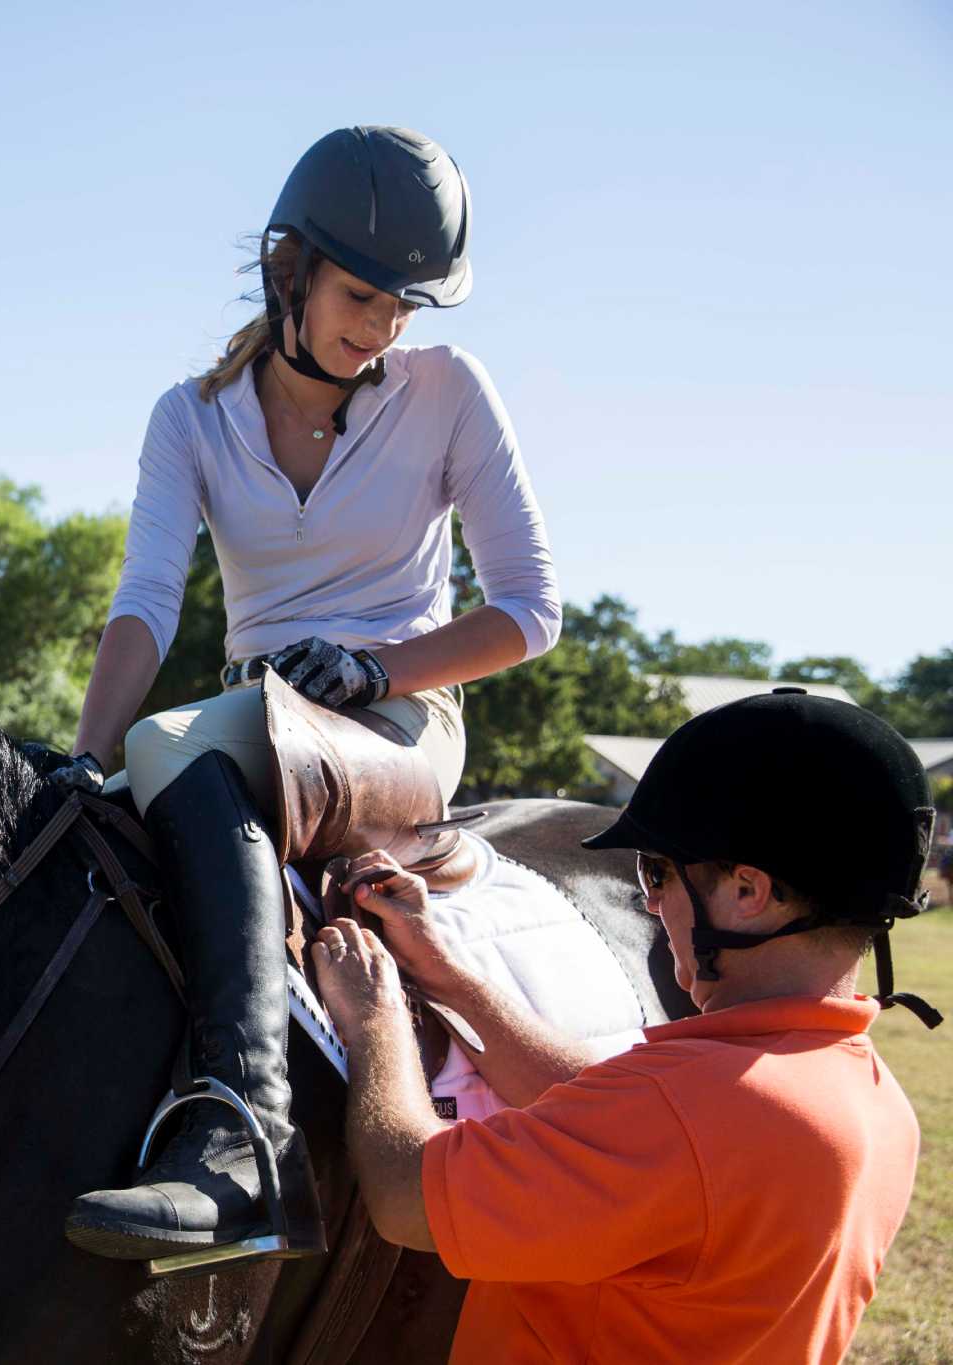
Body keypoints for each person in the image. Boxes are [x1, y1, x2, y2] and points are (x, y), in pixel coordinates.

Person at [59, 124, 562, 1270]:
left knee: (181, 749)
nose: (382, 327)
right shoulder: (187, 417)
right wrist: (83, 762)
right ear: (287, 271)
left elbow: (532, 609)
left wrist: (383, 667)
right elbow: (144, 602)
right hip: (248, 725)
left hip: (397, 728)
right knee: (142, 769)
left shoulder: (448, 394)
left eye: (404, 307)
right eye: (361, 294)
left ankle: (247, 1143)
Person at [313, 689, 937, 1364]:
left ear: (748, 892)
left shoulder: (693, 1113)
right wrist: (446, 972)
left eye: (659, 870)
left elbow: (406, 1195)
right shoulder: (875, 1102)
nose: (648, 899)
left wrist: (377, 1020)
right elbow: (601, 1112)